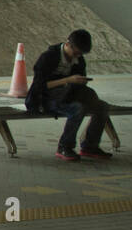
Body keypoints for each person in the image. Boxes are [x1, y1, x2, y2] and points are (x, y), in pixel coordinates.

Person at [24, 28, 112, 162]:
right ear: (68, 44)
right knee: (77, 108)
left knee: (102, 107)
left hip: (67, 95)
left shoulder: (79, 60)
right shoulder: (48, 57)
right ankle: (65, 146)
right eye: (76, 52)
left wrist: (80, 82)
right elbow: (39, 86)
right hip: (44, 99)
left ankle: (90, 146)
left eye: (80, 54)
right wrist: (67, 80)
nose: (77, 56)